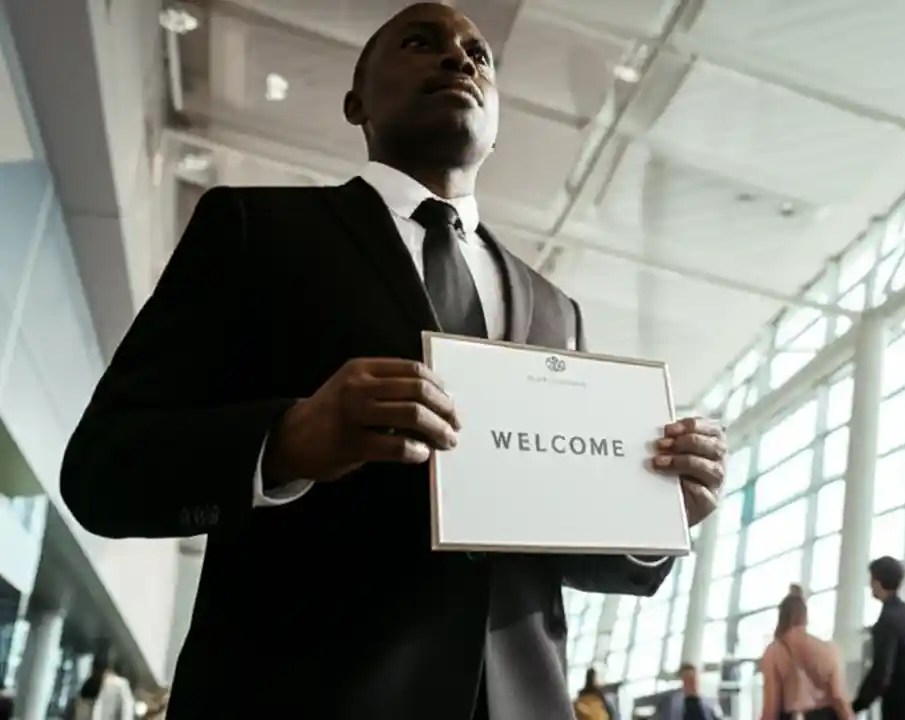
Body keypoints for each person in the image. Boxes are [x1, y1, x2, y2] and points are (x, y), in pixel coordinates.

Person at [59, 4, 726, 719]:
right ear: (356, 103)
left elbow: (547, 544)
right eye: (420, 41)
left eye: (480, 56)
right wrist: (284, 442)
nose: (460, 59)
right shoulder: (256, 230)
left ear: (497, 124)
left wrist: (655, 515)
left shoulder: (556, 310)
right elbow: (104, 472)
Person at [852, 557, 905, 720]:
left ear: (877, 582)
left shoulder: (887, 621)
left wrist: (856, 706)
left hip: (901, 710)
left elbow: (881, 673)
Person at [759, 585, 853, 720]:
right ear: (805, 617)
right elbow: (839, 697)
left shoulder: (773, 652)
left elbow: (770, 709)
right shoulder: (829, 649)